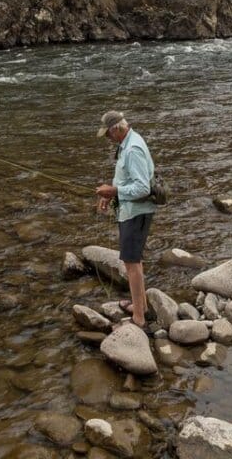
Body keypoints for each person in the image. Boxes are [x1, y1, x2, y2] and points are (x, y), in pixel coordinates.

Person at [95, 109, 154, 327]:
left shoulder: (133, 149)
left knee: (132, 263)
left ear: (117, 129)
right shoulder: (126, 143)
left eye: (108, 134)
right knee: (133, 261)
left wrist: (114, 191)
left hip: (136, 213)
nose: (108, 138)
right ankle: (142, 306)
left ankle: (138, 318)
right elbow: (125, 178)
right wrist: (110, 195)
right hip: (130, 210)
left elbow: (143, 187)